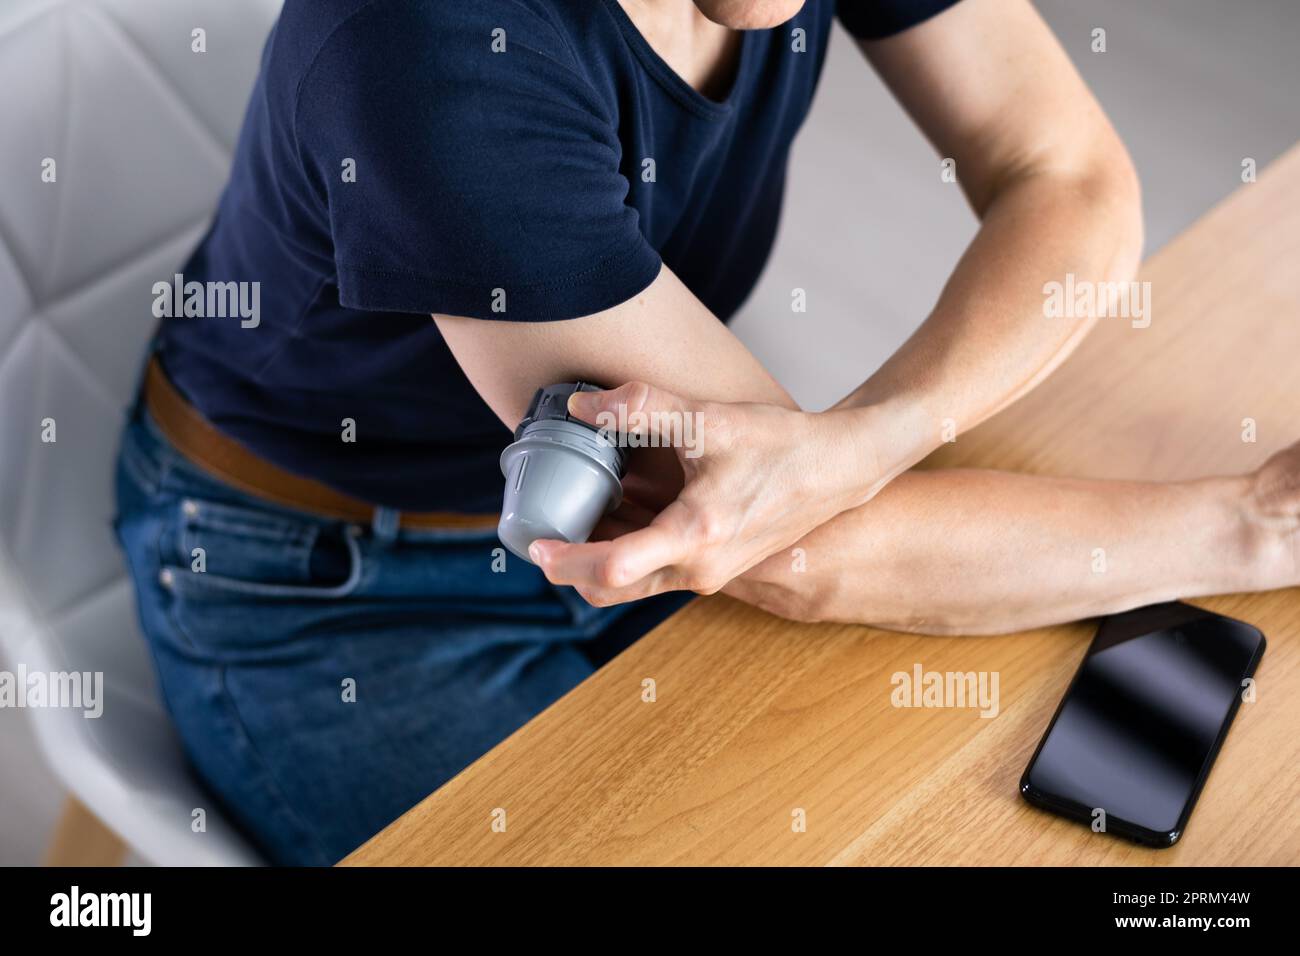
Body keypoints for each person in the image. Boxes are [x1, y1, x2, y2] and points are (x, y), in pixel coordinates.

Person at [113, 0, 1300, 865]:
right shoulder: (431, 52)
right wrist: (1251, 526)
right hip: (333, 584)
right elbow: (795, 552)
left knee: (939, 785)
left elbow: (1066, 171)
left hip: (607, 516)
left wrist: (883, 428)